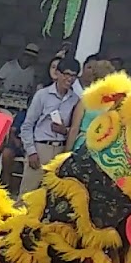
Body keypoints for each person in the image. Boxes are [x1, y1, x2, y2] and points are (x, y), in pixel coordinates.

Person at [19, 56, 81, 193]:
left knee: (49, 195)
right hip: (41, 148)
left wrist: (65, 130)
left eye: (73, 76)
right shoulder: (42, 95)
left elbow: (74, 128)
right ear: (57, 73)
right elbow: (27, 125)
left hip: (60, 149)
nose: (69, 79)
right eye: (66, 74)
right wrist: (31, 152)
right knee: (27, 194)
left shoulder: (75, 100)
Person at [65, 59, 115, 152]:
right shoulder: (113, 105)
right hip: (96, 148)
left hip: (90, 147)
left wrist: (65, 154)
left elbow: (74, 129)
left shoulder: (85, 100)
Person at [0, 42, 40, 111]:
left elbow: (33, 89)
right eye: (27, 56)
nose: (28, 59)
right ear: (22, 55)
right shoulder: (9, 66)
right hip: (4, 104)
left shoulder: (33, 71)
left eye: (32, 58)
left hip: (22, 106)